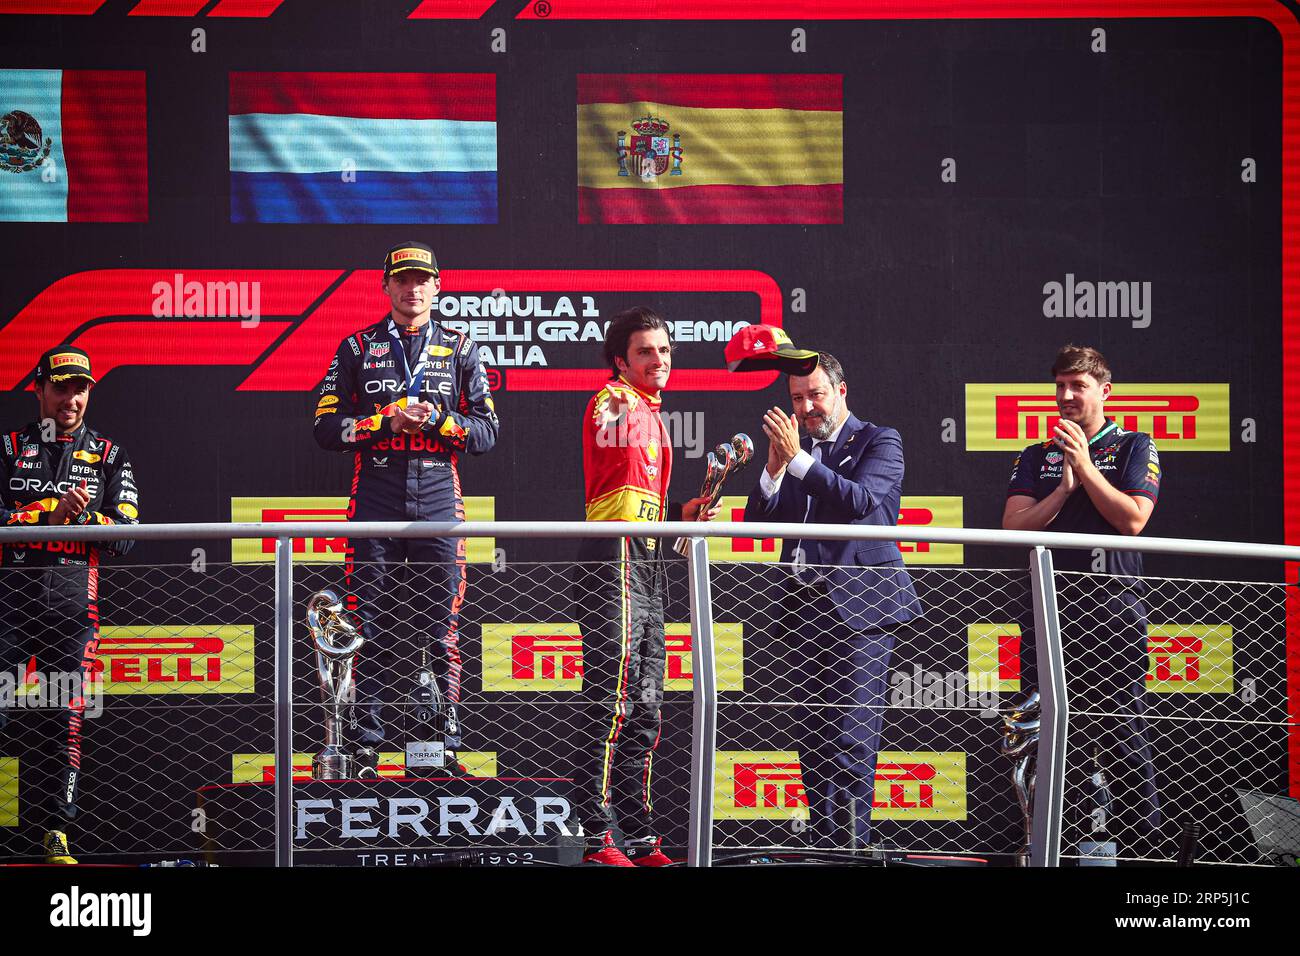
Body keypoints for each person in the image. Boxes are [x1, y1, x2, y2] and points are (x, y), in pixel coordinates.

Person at [314, 241, 498, 775]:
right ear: (386, 286)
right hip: (375, 491)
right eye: (402, 279)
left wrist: (439, 422)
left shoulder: (462, 348)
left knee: (440, 624)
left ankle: (437, 746)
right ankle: (365, 744)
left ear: (437, 286)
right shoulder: (355, 347)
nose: (412, 288)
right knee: (366, 621)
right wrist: (384, 423)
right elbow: (325, 427)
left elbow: (487, 432)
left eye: (422, 279)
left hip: (440, 494)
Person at [744, 352, 920, 851]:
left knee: (851, 738)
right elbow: (759, 522)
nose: (806, 407)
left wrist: (798, 460)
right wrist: (776, 468)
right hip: (802, 609)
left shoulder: (879, 439)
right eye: (796, 399)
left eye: (815, 395)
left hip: (860, 609)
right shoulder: (793, 451)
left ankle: (849, 850)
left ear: (841, 391)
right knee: (812, 740)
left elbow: (860, 501)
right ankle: (824, 849)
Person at [573, 306, 716, 866]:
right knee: (612, 700)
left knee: (647, 706)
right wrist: (631, 405)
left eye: (664, 350)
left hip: (647, 560)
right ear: (619, 360)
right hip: (614, 557)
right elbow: (615, 462)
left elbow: (634, 490)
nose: (658, 360)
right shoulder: (615, 400)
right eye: (644, 352)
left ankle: (638, 835)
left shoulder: (651, 412)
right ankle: (595, 837)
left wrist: (681, 512)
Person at [1003, 344, 1162, 838]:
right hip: (1050, 615)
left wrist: (1086, 467)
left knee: (1124, 739)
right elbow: (1013, 528)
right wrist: (1063, 489)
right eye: (1060, 387)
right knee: (1054, 742)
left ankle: (1145, 851)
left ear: (1105, 391)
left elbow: (1133, 519)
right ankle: (1059, 848)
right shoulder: (1036, 456)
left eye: (1079, 386)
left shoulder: (1135, 445)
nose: (1066, 396)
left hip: (1114, 614)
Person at [0, 347, 138, 864]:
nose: (71, 399)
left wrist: (80, 523)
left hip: (70, 612)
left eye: (80, 389)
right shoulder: (9, 448)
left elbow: (125, 535)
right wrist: (46, 515)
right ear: (38, 389)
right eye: (61, 388)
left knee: (64, 719)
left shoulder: (108, 455)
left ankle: (56, 830)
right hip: (8, 607)